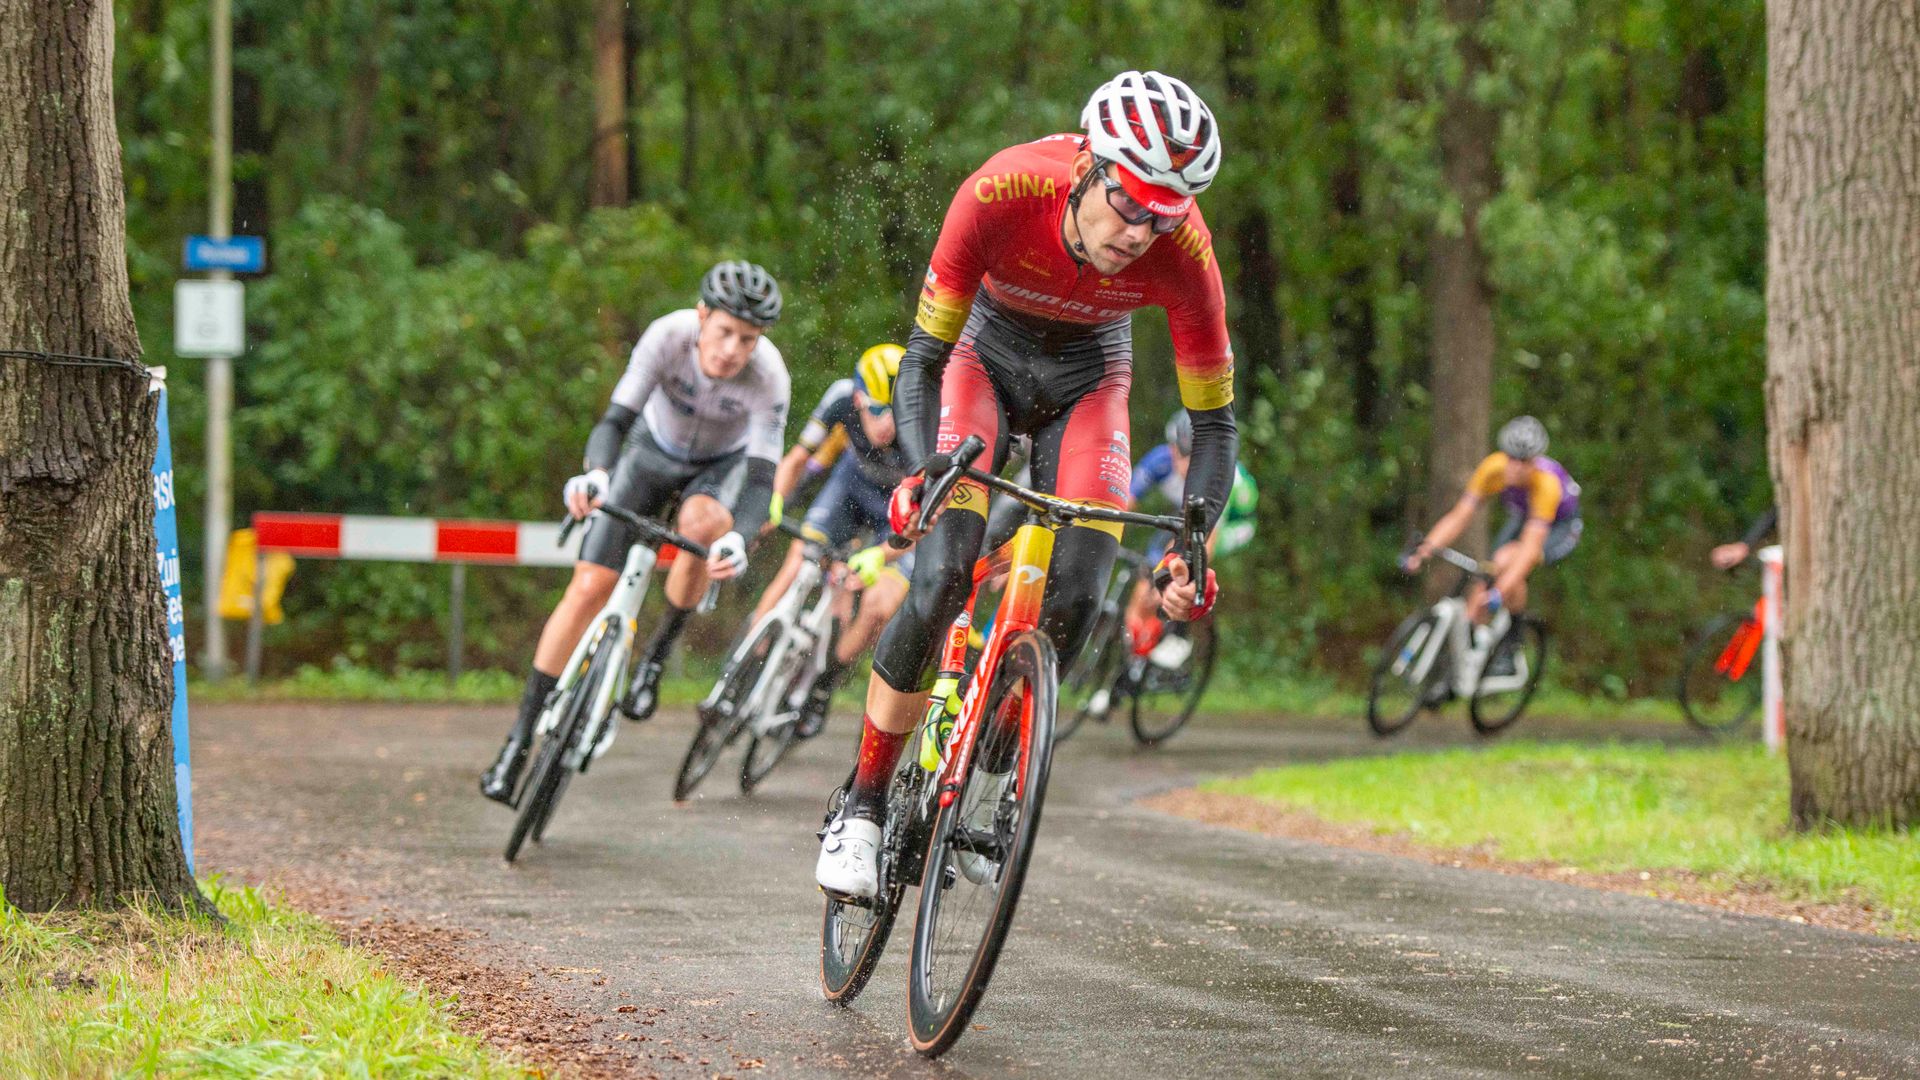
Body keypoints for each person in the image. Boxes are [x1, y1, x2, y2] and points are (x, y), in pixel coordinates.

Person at [816, 71, 1240, 899]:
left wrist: (1191, 542)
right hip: (983, 361)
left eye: (1165, 214)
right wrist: (920, 469)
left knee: (1080, 595)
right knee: (940, 576)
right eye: (1127, 202)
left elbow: (1216, 428)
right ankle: (862, 808)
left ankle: (991, 777)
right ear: (1088, 164)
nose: (1140, 231)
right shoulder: (1003, 189)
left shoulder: (1186, 255)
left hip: (1092, 382)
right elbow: (923, 359)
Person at [480, 261, 790, 804]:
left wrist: (738, 537)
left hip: (717, 469)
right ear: (701, 317)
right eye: (723, 332)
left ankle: (653, 659)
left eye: (747, 339)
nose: (731, 349)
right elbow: (614, 423)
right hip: (650, 453)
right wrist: (596, 474)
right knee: (587, 589)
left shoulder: (770, 376)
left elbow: (762, 479)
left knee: (701, 527)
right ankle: (517, 742)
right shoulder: (666, 336)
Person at [751, 344, 916, 739]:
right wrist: (771, 502)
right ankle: (747, 660)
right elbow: (795, 460)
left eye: (896, 411)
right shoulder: (841, 396)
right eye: (876, 409)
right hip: (851, 490)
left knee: (879, 606)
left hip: (899, 513)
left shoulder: (923, 421)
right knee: (798, 561)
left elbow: (924, 523)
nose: (887, 424)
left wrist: (879, 554)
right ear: (858, 399)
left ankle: (823, 687)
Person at [1403, 415, 1582, 622]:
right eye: (1512, 458)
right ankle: (1471, 638)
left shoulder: (1547, 486)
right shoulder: (1492, 468)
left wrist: (1500, 592)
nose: (1517, 467)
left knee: (1506, 560)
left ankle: (1513, 636)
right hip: (1523, 517)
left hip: (1560, 527)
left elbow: (1529, 549)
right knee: (1486, 574)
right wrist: (1425, 550)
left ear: (1536, 461)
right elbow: (1459, 516)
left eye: (1525, 461)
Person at [1118, 410, 1258, 668]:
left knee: (1181, 561)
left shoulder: (1221, 476)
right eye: (1180, 454)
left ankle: (1179, 634)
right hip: (1185, 514)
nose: (1185, 465)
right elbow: (1123, 502)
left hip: (1234, 525)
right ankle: (1136, 657)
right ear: (1171, 448)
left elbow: (1206, 541)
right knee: (1150, 567)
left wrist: (1175, 578)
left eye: (1194, 457)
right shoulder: (1160, 460)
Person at [1711, 506, 1776, 569]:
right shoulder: (1756, 562)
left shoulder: (1748, 533)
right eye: (1728, 560)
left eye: (1727, 551)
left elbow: (1771, 516)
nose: (1730, 555)